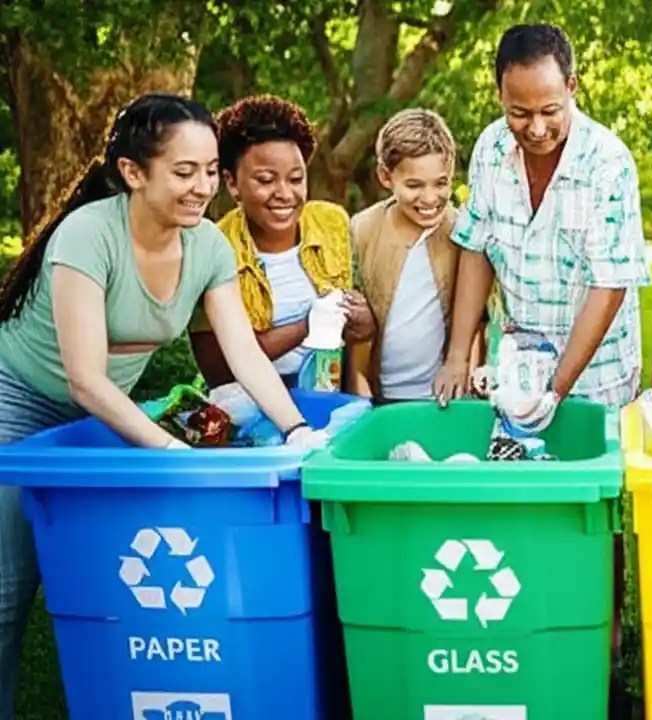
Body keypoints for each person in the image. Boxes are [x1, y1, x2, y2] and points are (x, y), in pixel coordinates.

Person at [0, 93, 324, 718]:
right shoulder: (88, 235)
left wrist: (296, 428)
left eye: (208, 170)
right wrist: (176, 454)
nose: (203, 186)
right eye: (184, 172)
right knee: (9, 586)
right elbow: (87, 381)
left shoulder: (205, 246)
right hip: (19, 399)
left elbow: (245, 354)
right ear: (133, 172)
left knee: (100, 566)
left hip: (99, 410)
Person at [433, 23, 652, 418]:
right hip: (518, 370)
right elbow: (477, 248)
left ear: (572, 85)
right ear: (499, 93)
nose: (535, 129)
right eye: (519, 113)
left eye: (550, 111)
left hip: (597, 379)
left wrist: (554, 393)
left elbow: (609, 286)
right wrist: (456, 356)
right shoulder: (490, 148)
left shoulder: (608, 164)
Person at [189, 94, 373, 391]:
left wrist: (363, 326)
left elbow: (355, 336)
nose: (285, 193)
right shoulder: (214, 247)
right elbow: (218, 370)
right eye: (265, 180)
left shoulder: (331, 224)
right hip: (251, 409)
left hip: (329, 397)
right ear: (232, 183)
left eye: (296, 179)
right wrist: (306, 326)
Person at [347, 108, 482, 403]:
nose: (430, 198)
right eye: (414, 185)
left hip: (444, 398)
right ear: (385, 176)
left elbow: (477, 321)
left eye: (441, 183)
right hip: (377, 398)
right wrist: (360, 394)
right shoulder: (362, 230)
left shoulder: (461, 232)